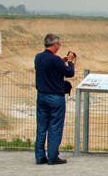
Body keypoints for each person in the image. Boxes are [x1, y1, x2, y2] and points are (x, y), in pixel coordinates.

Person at [33, 33, 76, 165]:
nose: (60, 45)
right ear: (54, 44)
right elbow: (69, 73)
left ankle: (40, 157)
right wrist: (70, 62)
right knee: (55, 127)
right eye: (59, 43)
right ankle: (52, 157)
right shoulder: (56, 60)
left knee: (41, 127)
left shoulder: (38, 58)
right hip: (56, 97)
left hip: (41, 96)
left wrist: (61, 61)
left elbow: (49, 68)